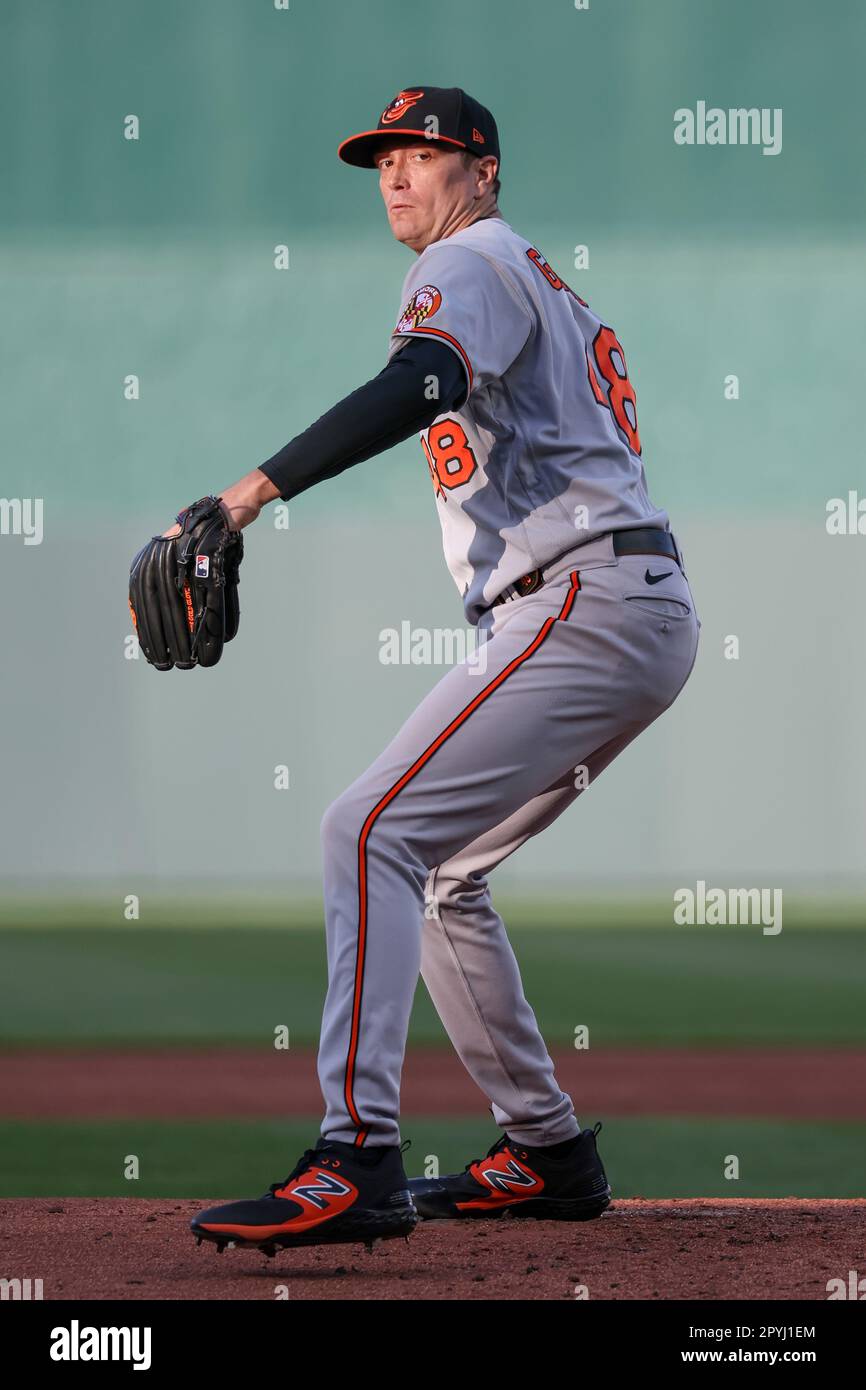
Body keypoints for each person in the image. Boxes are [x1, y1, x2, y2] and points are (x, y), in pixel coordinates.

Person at [190, 86, 700, 1255]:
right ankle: (547, 1151)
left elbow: (419, 379)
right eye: (383, 160)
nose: (397, 175)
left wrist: (251, 490)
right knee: (434, 874)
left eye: (423, 153)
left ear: (483, 169)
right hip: (623, 602)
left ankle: (355, 1155)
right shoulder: (521, 269)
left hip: (579, 597)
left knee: (365, 830)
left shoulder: (467, 261)